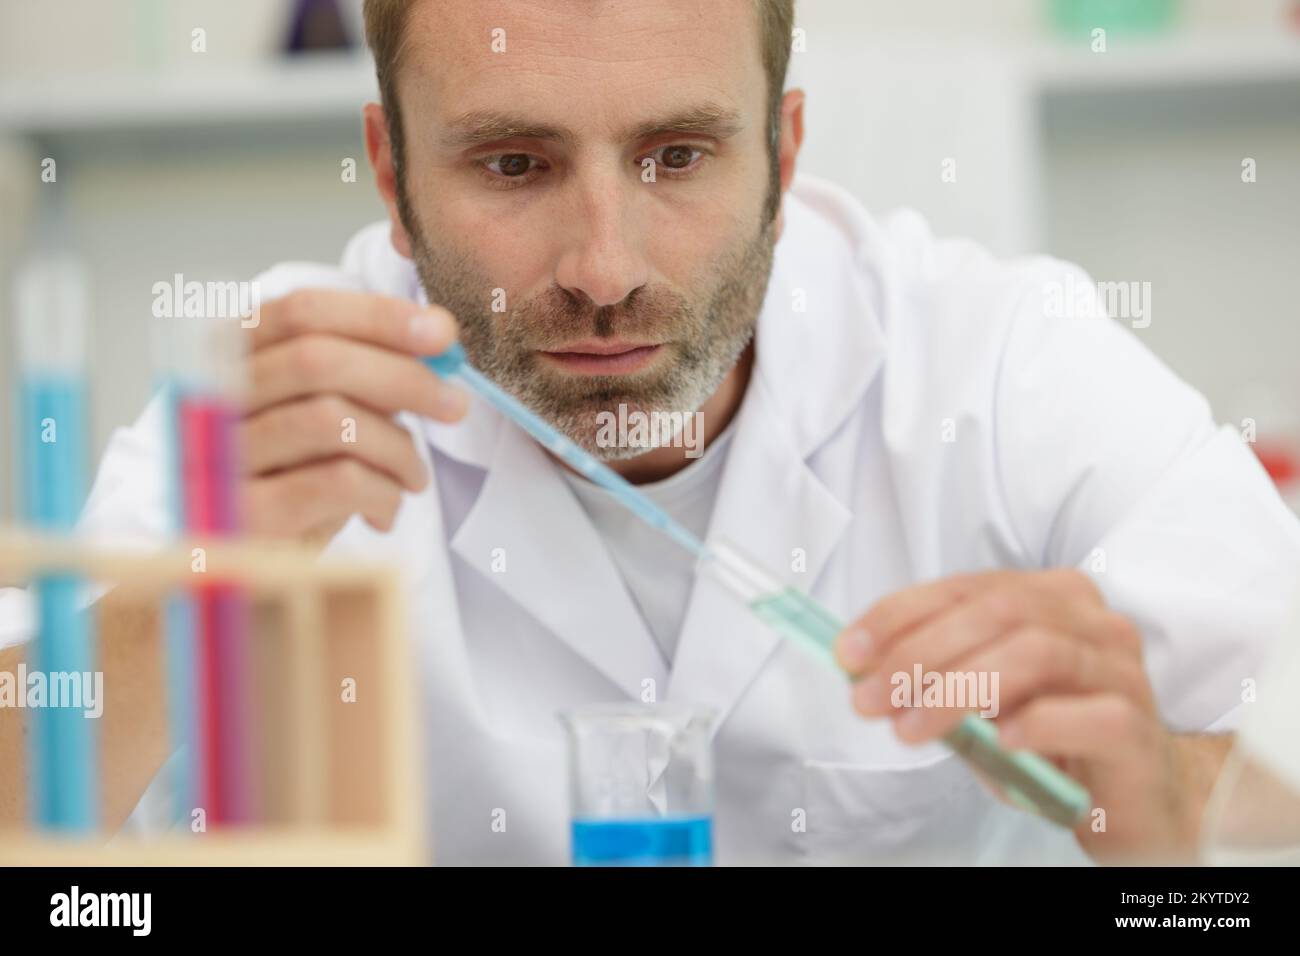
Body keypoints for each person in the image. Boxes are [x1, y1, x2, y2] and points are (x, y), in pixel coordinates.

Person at [2, 0, 1299, 864]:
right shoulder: (276, 419)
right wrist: (175, 610)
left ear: (784, 159)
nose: (604, 267)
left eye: (678, 155)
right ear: (392, 176)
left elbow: (1262, 772)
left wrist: (1169, 820)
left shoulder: (1002, 365)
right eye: (514, 164)